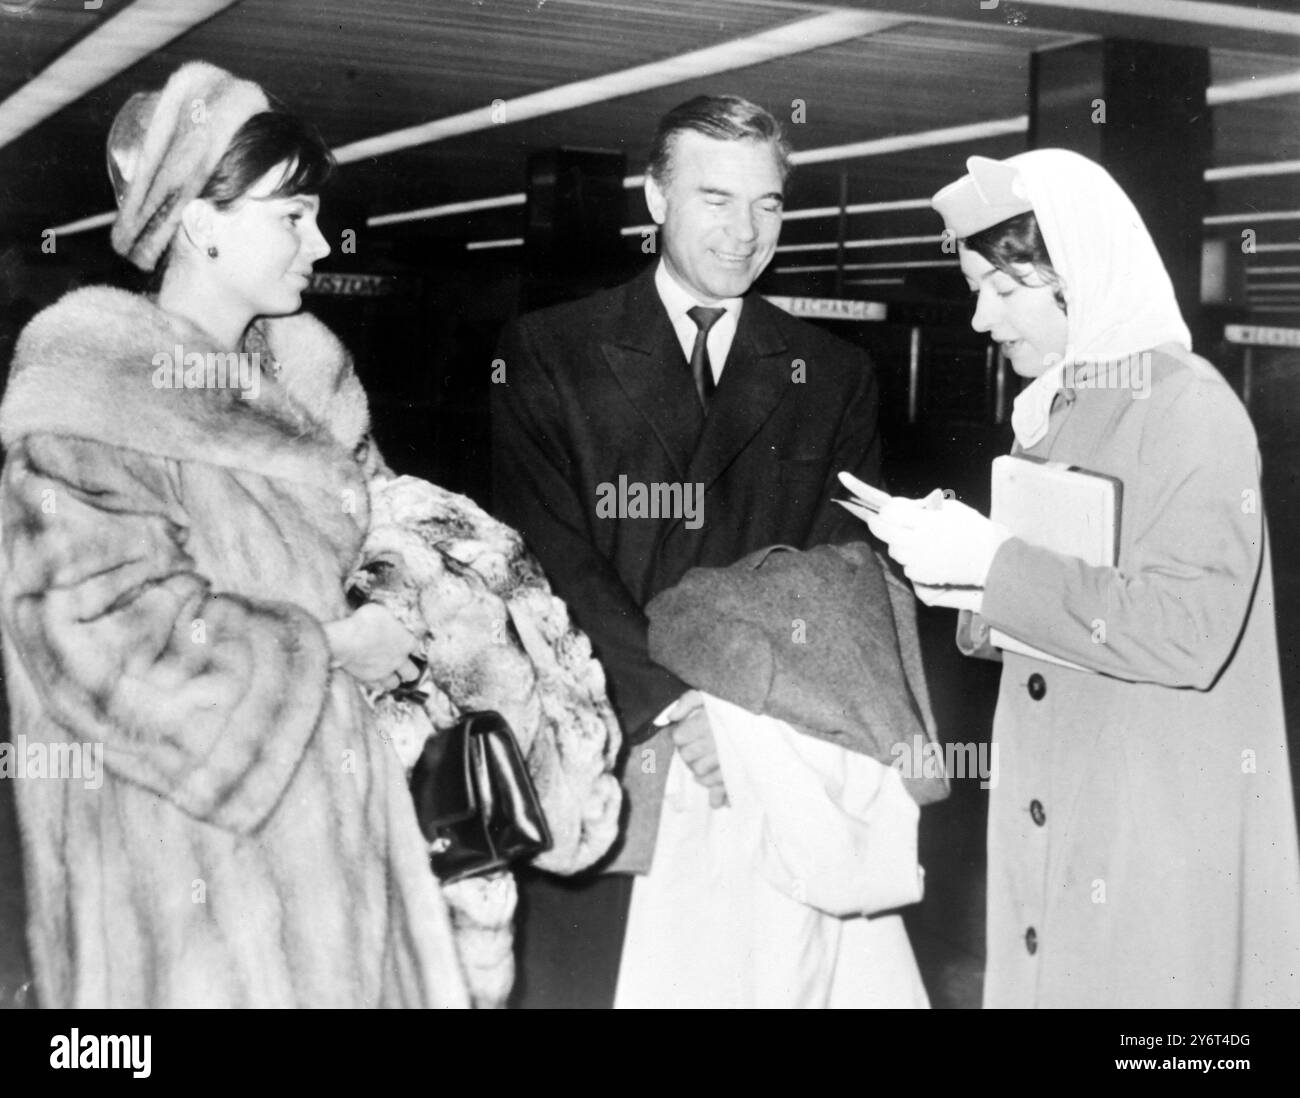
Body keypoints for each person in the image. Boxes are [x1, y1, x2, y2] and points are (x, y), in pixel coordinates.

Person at [0, 61, 468, 1007]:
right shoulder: (88, 398)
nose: (321, 240)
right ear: (203, 224)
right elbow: (99, 638)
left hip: (331, 848)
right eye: (291, 215)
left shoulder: (306, 387)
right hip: (184, 885)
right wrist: (334, 648)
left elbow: (382, 535)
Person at [866, 147, 1300, 1008]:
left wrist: (993, 565)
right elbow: (1064, 607)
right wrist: (959, 576)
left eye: (1003, 290)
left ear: (1079, 272)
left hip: (1154, 821)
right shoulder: (1063, 408)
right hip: (1059, 800)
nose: (984, 321)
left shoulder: (1189, 406)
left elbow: (1186, 629)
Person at [492, 94, 886, 1007]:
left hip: (767, 754)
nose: (746, 233)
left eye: (769, 204)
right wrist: (680, 709)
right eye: (716, 199)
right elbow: (548, 559)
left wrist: (745, 723)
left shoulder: (832, 375)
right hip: (614, 745)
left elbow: (840, 576)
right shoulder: (552, 352)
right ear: (655, 199)